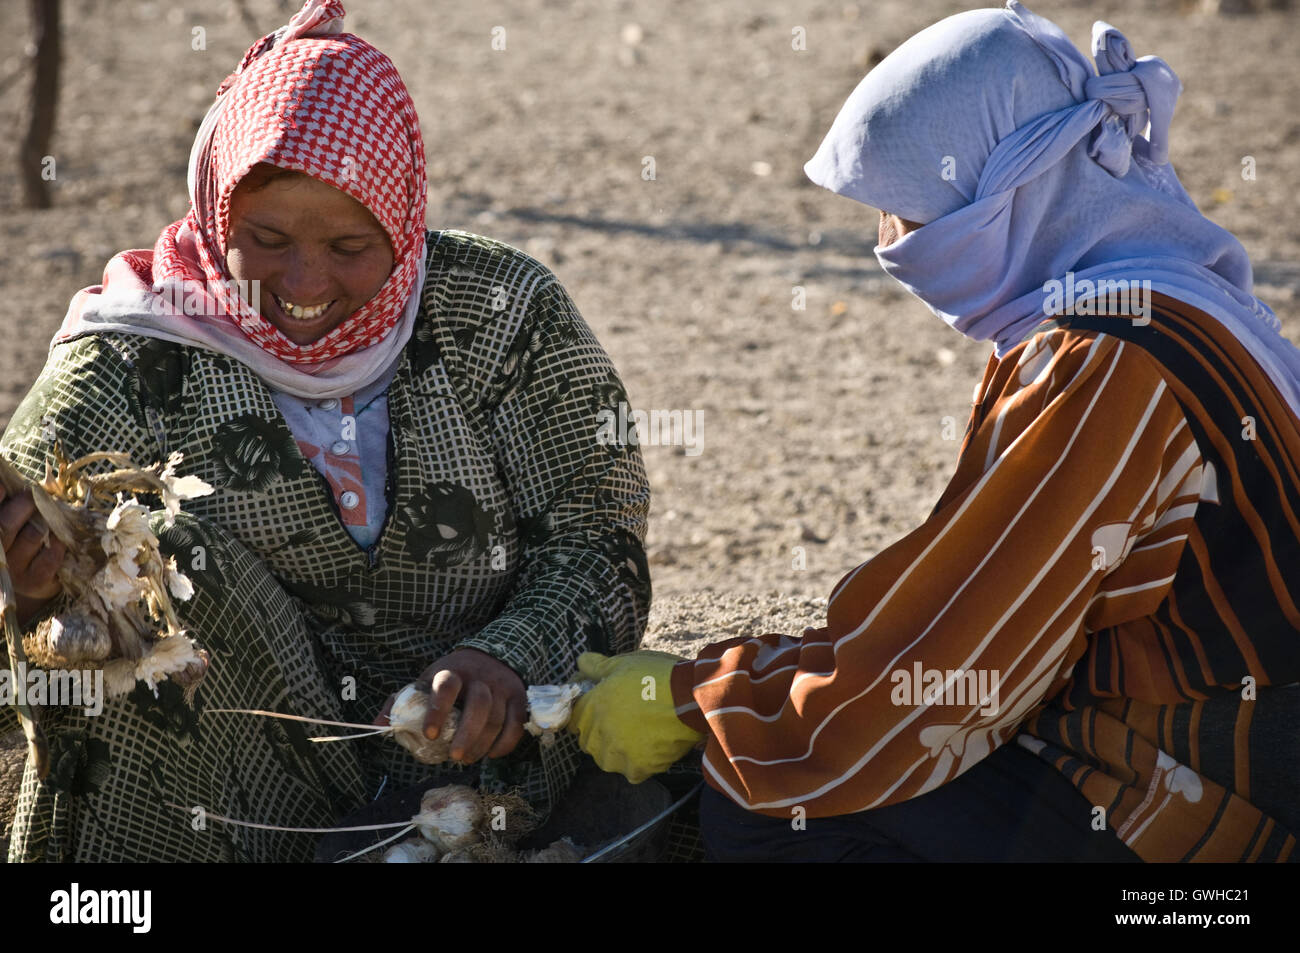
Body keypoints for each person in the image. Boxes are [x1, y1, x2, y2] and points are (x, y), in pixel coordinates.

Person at [569, 1, 1300, 862]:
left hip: (1210, 808)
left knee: (767, 811)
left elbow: (958, 669)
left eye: (911, 209)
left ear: (1011, 185)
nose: (892, 243)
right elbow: (993, 596)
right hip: (1226, 751)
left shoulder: (1103, 363)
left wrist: (699, 700)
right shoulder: (1166, 295)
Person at [0, 0, 650, 862]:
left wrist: (508, 659)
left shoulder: (498, 316)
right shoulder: (132, 362)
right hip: (221, 799)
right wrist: (37, 600)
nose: (302, 283)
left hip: (496, 782)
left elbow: (599, 535)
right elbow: (33, 572)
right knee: (151, 556)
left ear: (405, 221)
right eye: (265, 239)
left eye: (350, 246)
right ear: (215, 209)